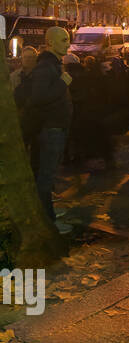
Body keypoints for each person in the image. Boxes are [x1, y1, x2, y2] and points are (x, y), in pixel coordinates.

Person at [16, 26, 71, 233]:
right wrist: (62, 84)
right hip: (51, 130)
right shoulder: (45, 67)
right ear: (50, 43)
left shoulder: (52, 64)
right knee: (45, 177)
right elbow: (39, 98)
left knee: (46, 175)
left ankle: (47, 213)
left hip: (54, 128)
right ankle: (47, 222)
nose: (68, 44)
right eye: (64, 40)